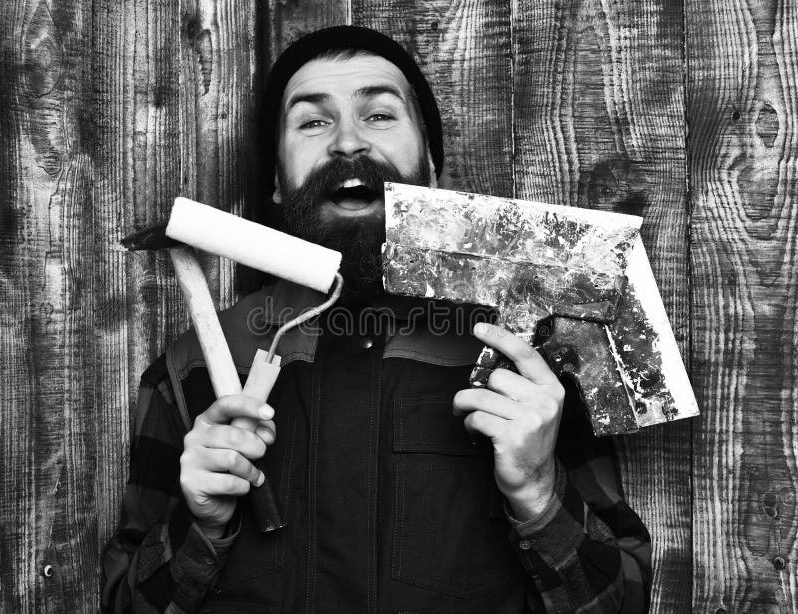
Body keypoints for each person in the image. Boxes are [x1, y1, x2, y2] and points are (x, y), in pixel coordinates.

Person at [102, 26, 651, 613]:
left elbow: (623, 601)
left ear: (433, 168)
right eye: (312, 122)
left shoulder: (528, 359)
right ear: (276, 186)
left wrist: (540, 496)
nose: (347, 142)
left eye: (380, 115)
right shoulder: (192, 372)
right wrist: (202, 526)